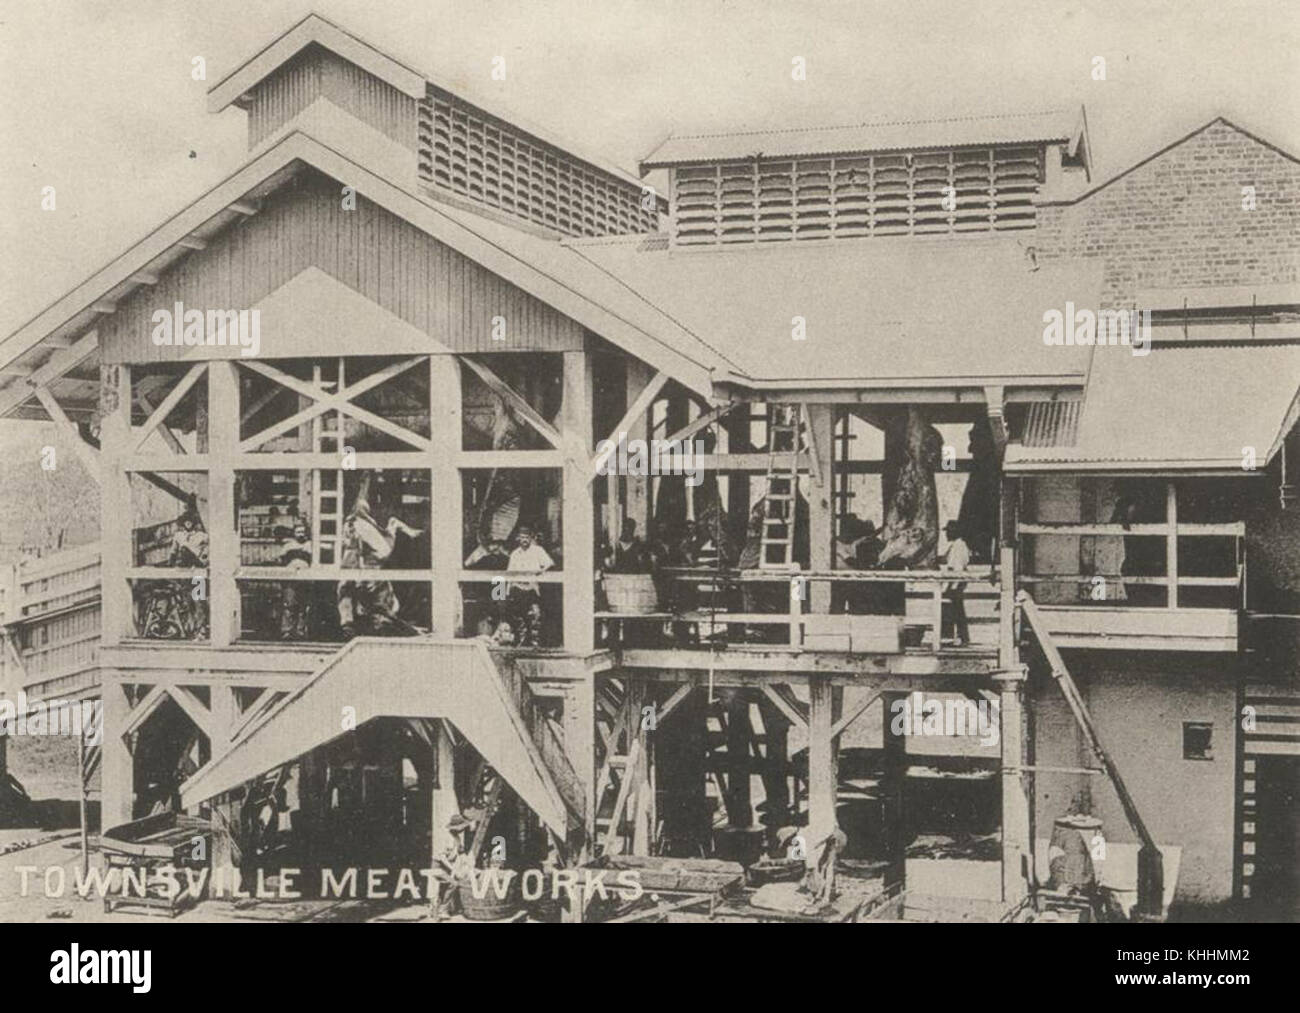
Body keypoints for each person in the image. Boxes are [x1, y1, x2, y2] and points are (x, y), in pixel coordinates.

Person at [506, 525, 554, 647]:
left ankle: (535, 642)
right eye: (522, 538)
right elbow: (509, 573)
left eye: (527, 537)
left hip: (532, 588)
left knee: (535, 615)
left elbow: (549, 563)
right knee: (518, 616)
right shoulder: (515, 554)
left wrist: (541, 571)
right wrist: (505, 592)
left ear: (530, 538)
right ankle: (521, 641)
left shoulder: (538, 550)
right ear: (518, 539)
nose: (524, 540)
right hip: (518, 588)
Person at [279, 521, 312, 639]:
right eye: (298, 532)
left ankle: (301, 631)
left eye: (303, 532)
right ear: (294, 533)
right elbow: (282, 560)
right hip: (291, 577)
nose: (301, 534)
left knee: (304, 605)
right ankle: (287, 630)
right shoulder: (288, 546)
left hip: (306, 577)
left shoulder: (310, 545)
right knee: (289, 603)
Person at [941, 520, 971, 647]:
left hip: (955, 583)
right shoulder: (957, 545)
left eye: (948, 531)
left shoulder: (959, 547)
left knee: (955, 611)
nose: (946, 534)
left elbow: (956, 568)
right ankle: (959, 637)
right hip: (955, 582)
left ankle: (960, 638)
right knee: (956, 611)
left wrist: (950, 586)